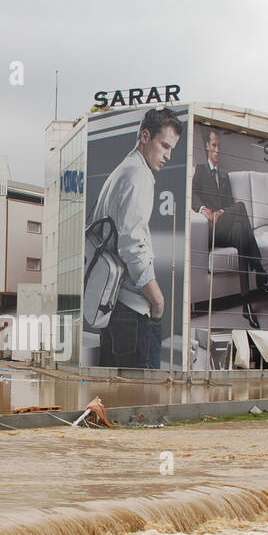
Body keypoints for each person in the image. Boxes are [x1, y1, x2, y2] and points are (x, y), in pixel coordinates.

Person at [90, 107, 182, 369]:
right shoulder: (139, 175)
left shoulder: (122, 171)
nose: (167, 155)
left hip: (113, 308)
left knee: (117, 399)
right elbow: (133, 245)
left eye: (172, 149)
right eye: (164, 145)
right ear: (145, 136)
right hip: (132, 310)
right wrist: (158, 301)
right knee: (143, 400)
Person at [191, 128, 268, 298]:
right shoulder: (200, 170)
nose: (217, 150)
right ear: (207, 146)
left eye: (219, 146)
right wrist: (204, 209)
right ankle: (260, 272)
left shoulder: (224, 176)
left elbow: (230, 204)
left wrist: (222, 211)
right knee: (241, 207)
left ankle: (246, 305)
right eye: (214, 145)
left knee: (240, 231)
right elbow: (192, 195)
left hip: (224, 227)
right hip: (210, 229)